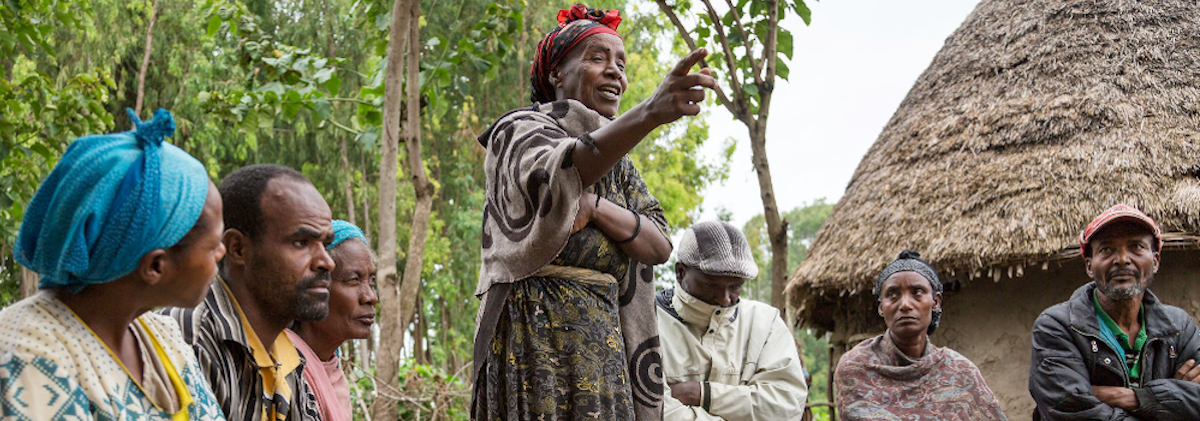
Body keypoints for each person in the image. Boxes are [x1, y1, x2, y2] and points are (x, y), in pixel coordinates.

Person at [472, 4, 715, 420]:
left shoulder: (619, 165)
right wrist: (650, 113)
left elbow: (658, 245)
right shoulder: (518, 133)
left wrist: (597, 207)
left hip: (604, 352)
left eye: (620, 63)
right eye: (597, 58)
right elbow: (558, 175)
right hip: (532, 344)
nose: (614, 72)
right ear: (555, 74)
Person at [0, 109, 226, 419]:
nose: (222, 252)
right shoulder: (25, 354)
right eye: (213, 245)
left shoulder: (162, 336)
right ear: (155, 266)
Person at [163, 164, 333, 421]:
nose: (326, 262)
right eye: (302, 243)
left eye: (326, 244)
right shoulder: (189, 340)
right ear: (238, 249)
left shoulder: (287, 357)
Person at [1030, 204, 1200, 420]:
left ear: (1155, 261)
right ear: (1090, 267)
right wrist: (1173, 404)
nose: (1122, 259)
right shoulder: (1057, 326)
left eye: (1136, 247)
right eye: (1106, 250)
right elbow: (1071, 410)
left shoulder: (1179, 327)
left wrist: (1133, 397)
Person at [656, 221, 808, 420]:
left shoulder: (765, 323)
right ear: (680, 272)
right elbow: (651, 411)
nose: (724, 298)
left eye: (736, 286)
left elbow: (787, 406)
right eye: (711, 284)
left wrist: (701, 393)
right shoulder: (648, 323)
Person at [835, 250, 1005, 420]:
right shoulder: (855, 367)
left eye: (917, 292)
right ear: (881, 308)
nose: (905, 304)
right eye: (893, 294)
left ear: (935, 302)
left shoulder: (960, 372)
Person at [287, 219, 377, 421]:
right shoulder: (284, 369)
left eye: (372, 282)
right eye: (354, 279)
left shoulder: (334, 375)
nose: (371, 296)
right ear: (313, 288)